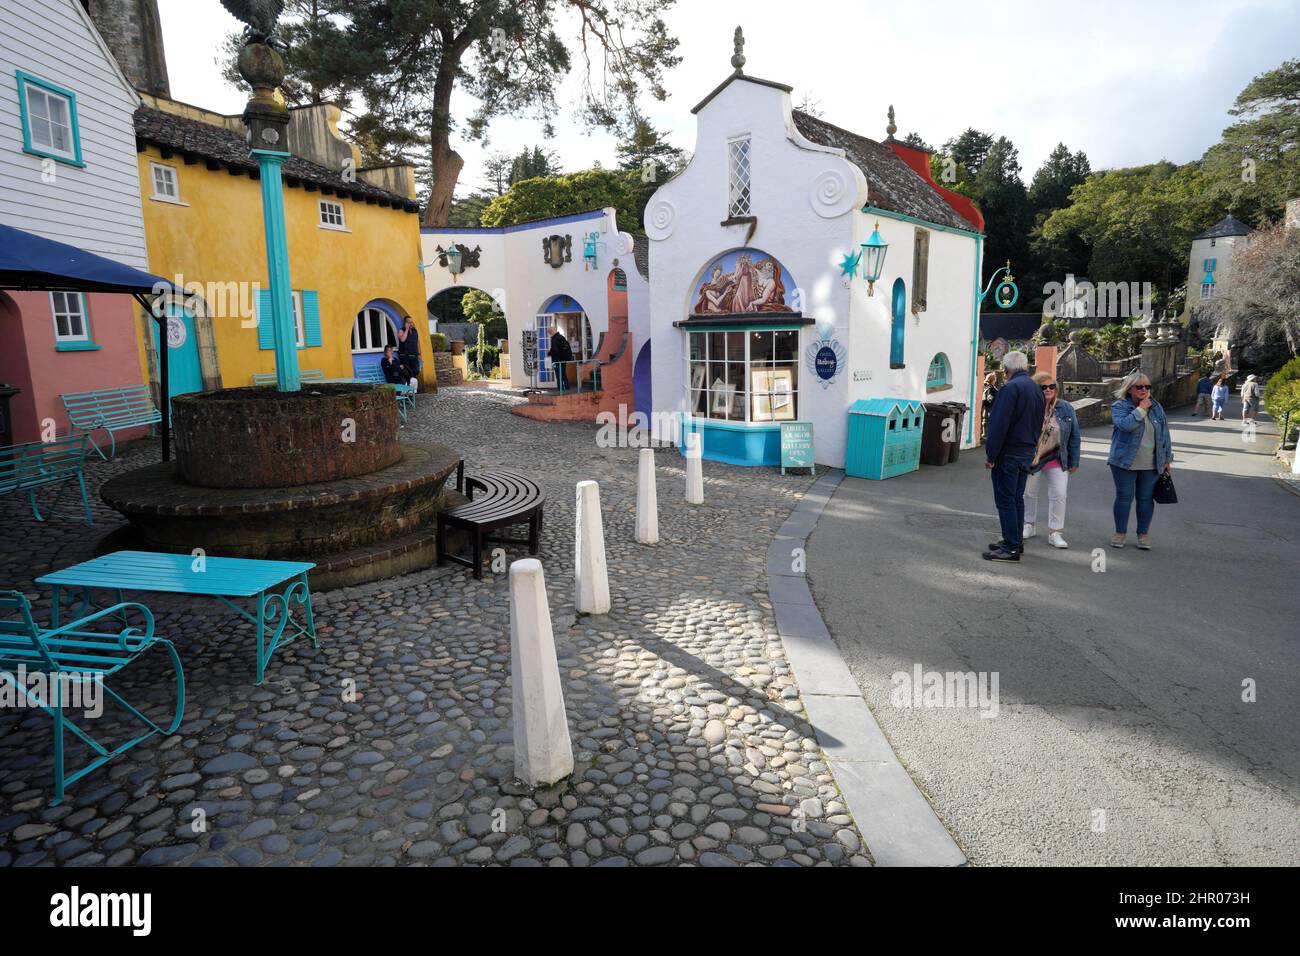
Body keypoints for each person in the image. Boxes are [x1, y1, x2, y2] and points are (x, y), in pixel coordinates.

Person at [983, 351, 1045, 562]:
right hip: (1026, 449)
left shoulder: (1010, 388)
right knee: (1016, 499)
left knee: (1006, 500)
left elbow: (999, 424)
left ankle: (1010, 546)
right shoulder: (1035, 388)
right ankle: (1014, 541)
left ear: (1006, 370)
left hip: (1009, 451)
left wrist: (991, 455)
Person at [1108, 370, 1173, 550]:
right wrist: (1141, 409)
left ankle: (1143, 534)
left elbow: (1165, 434)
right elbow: (1125, 425)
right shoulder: (1120, 406)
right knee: (1124, 498)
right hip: (1123, 462)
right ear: (1129, 389)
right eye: (1139, 386)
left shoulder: (1157, 407)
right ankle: (1120, 533)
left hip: (1151, 463)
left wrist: (1167, 458)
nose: (1144, 389)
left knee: (1145, 499)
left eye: (1147, 386)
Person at [1023, 371, 1081, 549]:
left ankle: (1055, 532)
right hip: (1033, 459)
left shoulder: (1065, 407)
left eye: (1052, 386)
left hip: (1057, 458)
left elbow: (1074, 436)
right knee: (1028, 494)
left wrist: (1074, 461)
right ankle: (1028, 525)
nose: (1048, 390)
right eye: (1043, 387)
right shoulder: (1028, 406)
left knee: (1059, 495)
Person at [397, 316, 421, 386]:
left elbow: (417, 343)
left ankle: (410, 384)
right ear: (405, 323)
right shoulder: (401, 330)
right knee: (407, 372)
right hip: (405, 356)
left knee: (416, 370)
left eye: (411, 322)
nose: (411, 324)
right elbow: (402, 340)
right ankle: (409, 388)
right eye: (409, 322)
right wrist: (406, 330)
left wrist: (419, 354)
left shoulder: (415, 331)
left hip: (414, 355)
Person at [549, 326, 574, 391]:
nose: (549, 333)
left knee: (558, 374)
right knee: (563, 374)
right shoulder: (562, 337)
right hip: (563, 359)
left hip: (556, 360)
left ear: (552, 331)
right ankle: (567, 387)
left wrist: (549, 353)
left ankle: (561, 389)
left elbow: (555, 350)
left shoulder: (554, 339)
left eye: (549, 331)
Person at [981, 371, 1000, 442]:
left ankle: (984, 436)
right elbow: (990, 399)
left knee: (985, 422)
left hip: (986, 408)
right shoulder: (993, 390)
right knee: (989, 424)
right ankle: (987, 437)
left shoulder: (985, 388)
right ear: (994, 380)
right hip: (991, 409)